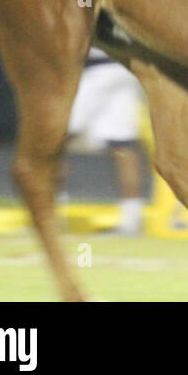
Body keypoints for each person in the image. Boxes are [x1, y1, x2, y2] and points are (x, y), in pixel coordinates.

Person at [65, 50, 147, 236]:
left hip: (96, 69)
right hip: (126, 66)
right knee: (123, 145)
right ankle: (131, 220)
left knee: (54, 140)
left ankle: (48, 215)